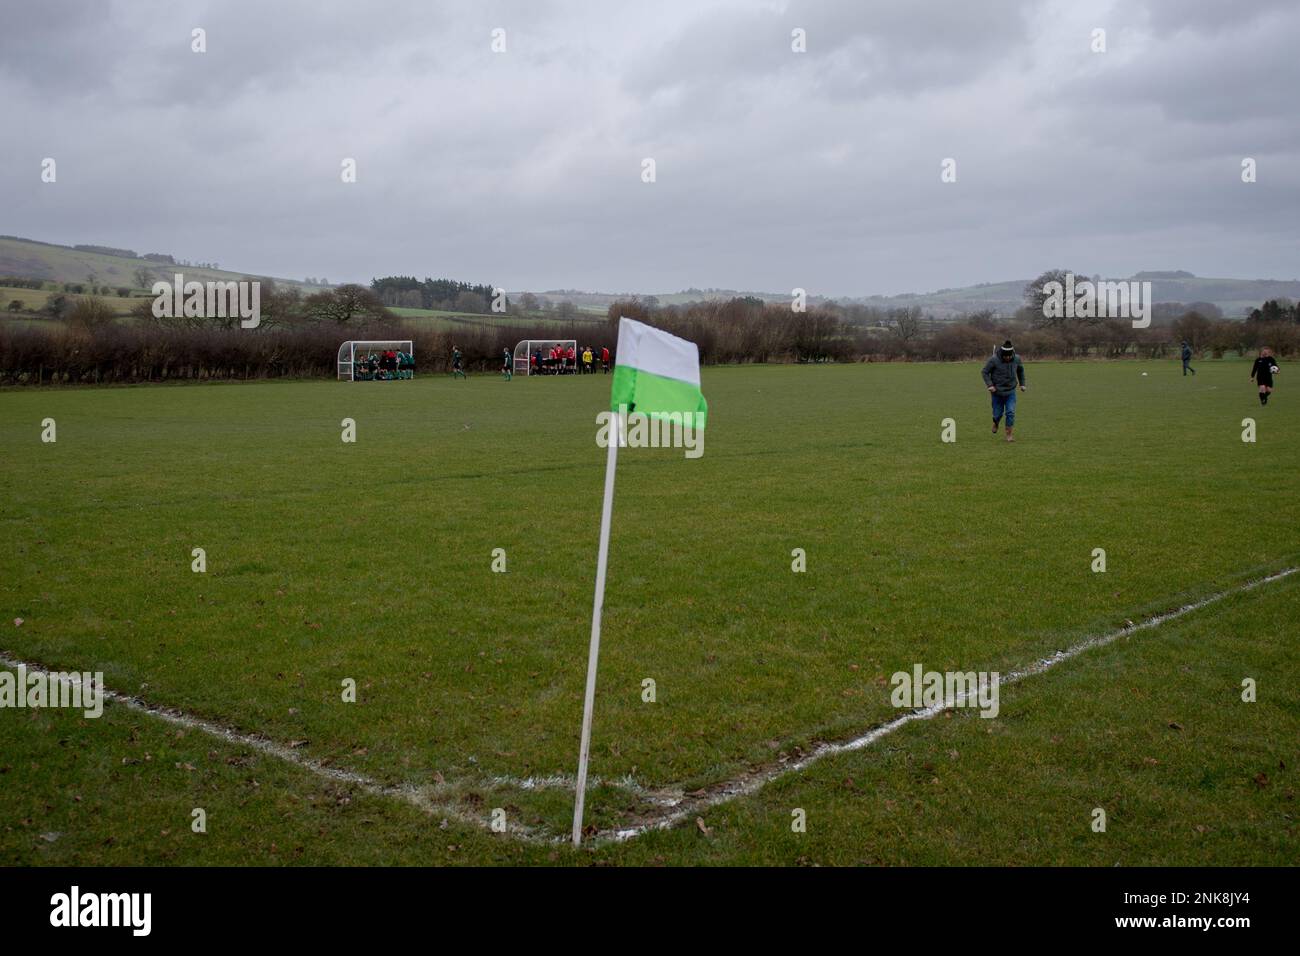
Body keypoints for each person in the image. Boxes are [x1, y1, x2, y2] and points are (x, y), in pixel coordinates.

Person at [981, 340, 1026, 442]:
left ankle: (1009, 435)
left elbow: (1020, 370)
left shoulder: (1017, 359)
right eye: (1006, 356)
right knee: (998, 414)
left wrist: (1022, 384)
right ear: (1002, 354)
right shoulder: (993, 360)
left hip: (1011, 391)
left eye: (1010, 356)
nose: (1008, 358)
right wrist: (990, 385)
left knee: (1010, 412)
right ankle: (996, 422)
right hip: (997, 392)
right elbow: (984, 372)